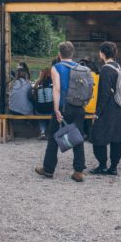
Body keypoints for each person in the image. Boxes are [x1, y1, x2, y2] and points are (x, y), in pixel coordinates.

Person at [36, 41, 88, 182]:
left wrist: (56, 109)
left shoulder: (56, 67)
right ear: (72, 54)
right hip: (78, 107)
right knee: (78, 138)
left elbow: (57, 89)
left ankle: (48, 169)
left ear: (59, 54)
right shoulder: (80, 67)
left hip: (64, 106)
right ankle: (78, 171)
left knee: (53, 138)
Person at [88, 42, 121, 175]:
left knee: (98, 135)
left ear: (102, 54)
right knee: (116, 139)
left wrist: (97, 113)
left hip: (107, 110)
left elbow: (104, 94)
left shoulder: (105, 70)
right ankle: (114, 167)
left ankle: (102, 165)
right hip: (119, 108)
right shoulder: (118, 67)